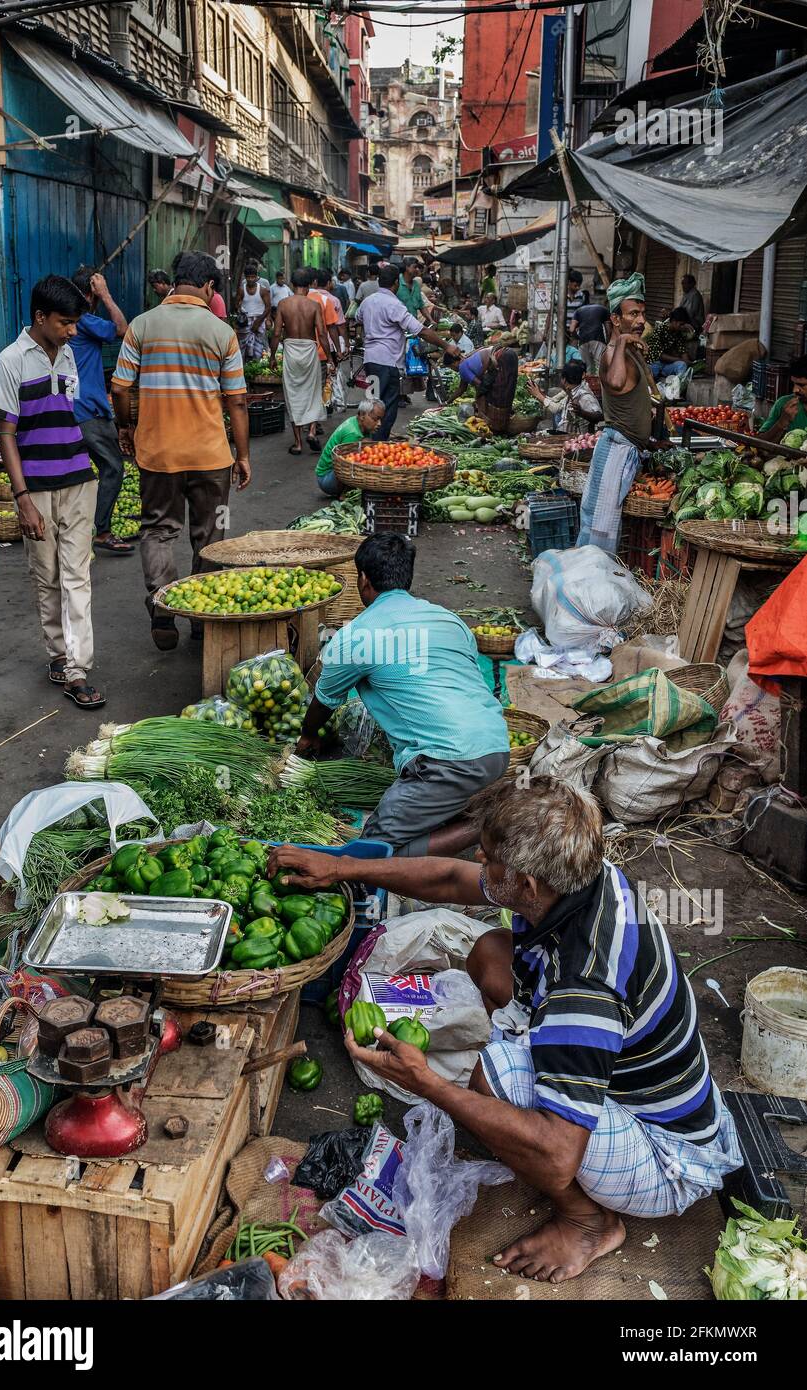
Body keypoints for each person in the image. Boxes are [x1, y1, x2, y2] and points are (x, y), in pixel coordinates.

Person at [267, 777, 742, 1284]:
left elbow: (559, 1157)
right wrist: (344, 866)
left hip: (670, 1157)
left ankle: (589, 1222)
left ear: (528, 884)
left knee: (493, 1079)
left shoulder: (583, 986)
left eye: (489, 856)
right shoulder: (581, 876)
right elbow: (451, 878)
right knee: (492, 952)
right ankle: (550, 1095)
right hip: (647, 1091)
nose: (478, 857)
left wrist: (426, 1082)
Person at [293, 533, 510, 854]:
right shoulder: (450, 620)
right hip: (496, 748)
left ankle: (483, 825)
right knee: (433, 808)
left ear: (363, 580)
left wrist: (308, 736)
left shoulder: (357, 635)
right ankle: (471, 813)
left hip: (446, 763)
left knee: (371, 851)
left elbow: (324, 700)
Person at [110, 251, 250, 651]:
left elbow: (120, 388)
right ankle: (203, 621)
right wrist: (243, 456)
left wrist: (126, 425)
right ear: (208, 287)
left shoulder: (141, 325)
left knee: (158, 530)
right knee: (212, 533)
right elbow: (237, 401)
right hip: (212, 458)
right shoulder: (222, 332)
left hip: (158, 455)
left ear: (175, 281)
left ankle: (163, 607)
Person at [0, 274, 104, 708]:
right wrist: (21, 499)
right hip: (36, 488)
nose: (72, 330)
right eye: (65, 322)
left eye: (75, 322)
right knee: (48, 576)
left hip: (78, 479)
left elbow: (68, 414)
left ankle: (76, 670)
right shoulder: (12, 360)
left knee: (77, 575)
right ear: (40, 317)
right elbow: (7, 433)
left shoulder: (70, 353)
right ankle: (58, 654)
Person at [577, 272, 660, 553]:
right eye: (633, 314)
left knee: (603, 527)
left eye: (642, 314)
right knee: (599, 531)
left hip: (626, 451)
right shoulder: (613, 351)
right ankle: (587, 589)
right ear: (615, 319)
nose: (640, 321)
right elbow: (612, 383)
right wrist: (623, 341)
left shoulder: (628, 350)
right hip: (615, 452)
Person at [69, 266, 132, 557]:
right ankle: (102, 530)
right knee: (113, 467)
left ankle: (77, 531)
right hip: (88, 411)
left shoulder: (70, 320)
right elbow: (122, 329)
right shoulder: (82, 319)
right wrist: (105, 295)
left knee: (79, 474)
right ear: (90, 293)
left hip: (72, 408)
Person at [356, 265, 454, 440]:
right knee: (387, 405)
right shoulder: (394, 304)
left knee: (373, 402)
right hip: (387, 362)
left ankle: (370, 441)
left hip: (370, 360)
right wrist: (446, 346)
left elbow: (357, 317)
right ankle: (378, 444)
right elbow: (421, 330)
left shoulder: (368, 301)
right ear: (395, 283)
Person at [269, 268, 335, 455]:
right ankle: (312, 431)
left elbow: (276, 333)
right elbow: (322, 334)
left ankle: (298, 443)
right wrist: (329, 358)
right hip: (309, 350)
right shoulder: (313, 306)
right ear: (310, 285)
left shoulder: (283, 304)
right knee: (313, 392)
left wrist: (273, 356)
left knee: (293, 395)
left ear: (292, 285)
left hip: (290, 351)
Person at [314, 398, 385, 497]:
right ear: (362, 415)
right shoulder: (353, 433)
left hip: (331, 475)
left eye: (380, 419)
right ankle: (345, 493)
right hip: (327, 479)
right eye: (375, 419)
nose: (379, 424)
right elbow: (346, 465)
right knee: (359, 462)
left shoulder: (359, 424)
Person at [458, 333, 523, 435]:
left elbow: (481, 384)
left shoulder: (463, 366)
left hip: (501, 363)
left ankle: (497, 427)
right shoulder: (469, 358)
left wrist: (479, 397)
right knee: (507, 391)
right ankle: (502, 424)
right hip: (505, 363)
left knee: (498, 394)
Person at [526, 361, 603, 433]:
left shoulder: (584, 395)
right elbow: (556, 406)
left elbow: (599, 416)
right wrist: (538, 393)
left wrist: (582, 413)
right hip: (566, 435)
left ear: (564, 379)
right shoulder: (572, 391)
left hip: (577, 439)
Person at [309, 269, 348, 411]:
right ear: (328, 283)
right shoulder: (331, 300)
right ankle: (325, 406)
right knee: (327, 378)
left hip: (307, 348)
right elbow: (336, 327)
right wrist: (341, 348)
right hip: (326, 348)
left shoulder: (305, 297)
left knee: (311, 383)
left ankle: (318, 410)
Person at [758, 354, 807, 443]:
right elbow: (759, 444)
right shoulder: (783, 404)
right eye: (794, 384)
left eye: (802, 385)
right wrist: (781, 423)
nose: (795, 390)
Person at [643, 306, 697, 380]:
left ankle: (678, 385)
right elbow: (661, 356)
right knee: (653, 372)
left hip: (667, 365)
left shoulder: (678, 332)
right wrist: (680, 359)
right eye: (681, 324)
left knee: (682, 365)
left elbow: (682, 350)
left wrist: (687, 362)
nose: (682, 327)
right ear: (674, 321)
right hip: (655, 363)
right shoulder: (660, 330)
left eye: (683, 324)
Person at [236, 261, 272, 360]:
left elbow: (268, 307)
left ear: (256, 277)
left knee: (258, 347)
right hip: (245, 321)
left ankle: (256, 369)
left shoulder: (263, 290)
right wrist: (240, 312)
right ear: (245, 277)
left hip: (260, 320)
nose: (251, 279)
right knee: (242, 347)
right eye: (248, 277)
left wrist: (259, 321)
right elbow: (236, 304)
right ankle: (243, 369)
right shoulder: (241, 290)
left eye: (253, 277)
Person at [570, 300, 609, 374]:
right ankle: (600, 385)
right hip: (598, 339)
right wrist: (608, 343)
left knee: (587, 369)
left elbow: (572, 329)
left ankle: (588, 384)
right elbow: (608, 330)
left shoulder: (578, 311)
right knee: (600, 367)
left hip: (583, 341)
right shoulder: (603, 309)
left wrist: (578, 338)